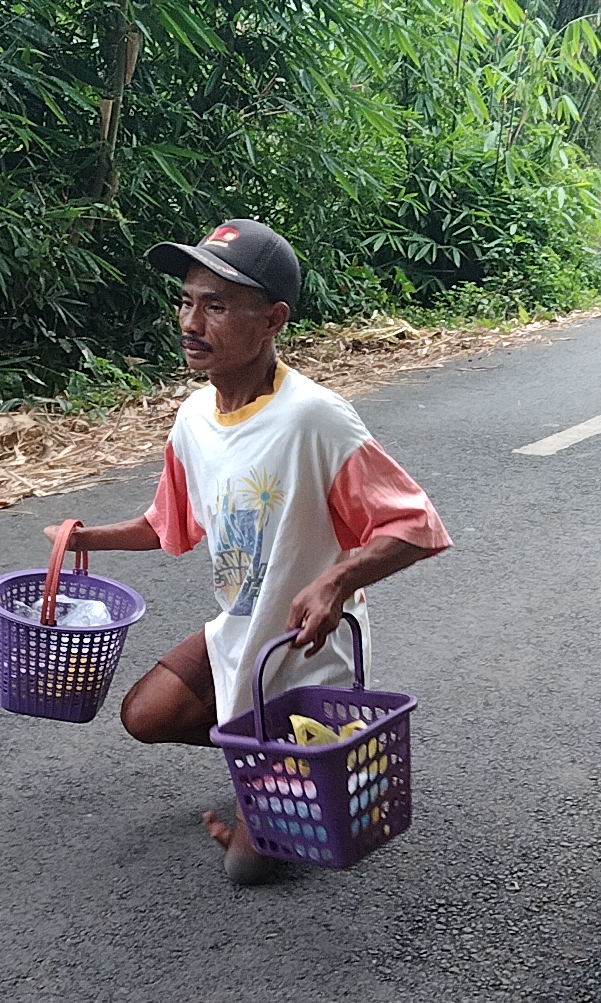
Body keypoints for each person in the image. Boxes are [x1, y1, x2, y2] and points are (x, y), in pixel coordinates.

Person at [47, 219, 451, 884]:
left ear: (272, 320)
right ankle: (270, 762)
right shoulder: (194, 420)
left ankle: (303, 764)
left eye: (217, 305)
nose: (191, 321)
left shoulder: (313, 419)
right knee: (145, 714)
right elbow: (168, 522)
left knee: (248, 868)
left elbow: (416, 525)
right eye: (185, 301)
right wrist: (87, 539)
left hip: (303, 656)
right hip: (236, 636)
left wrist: (337, 582)